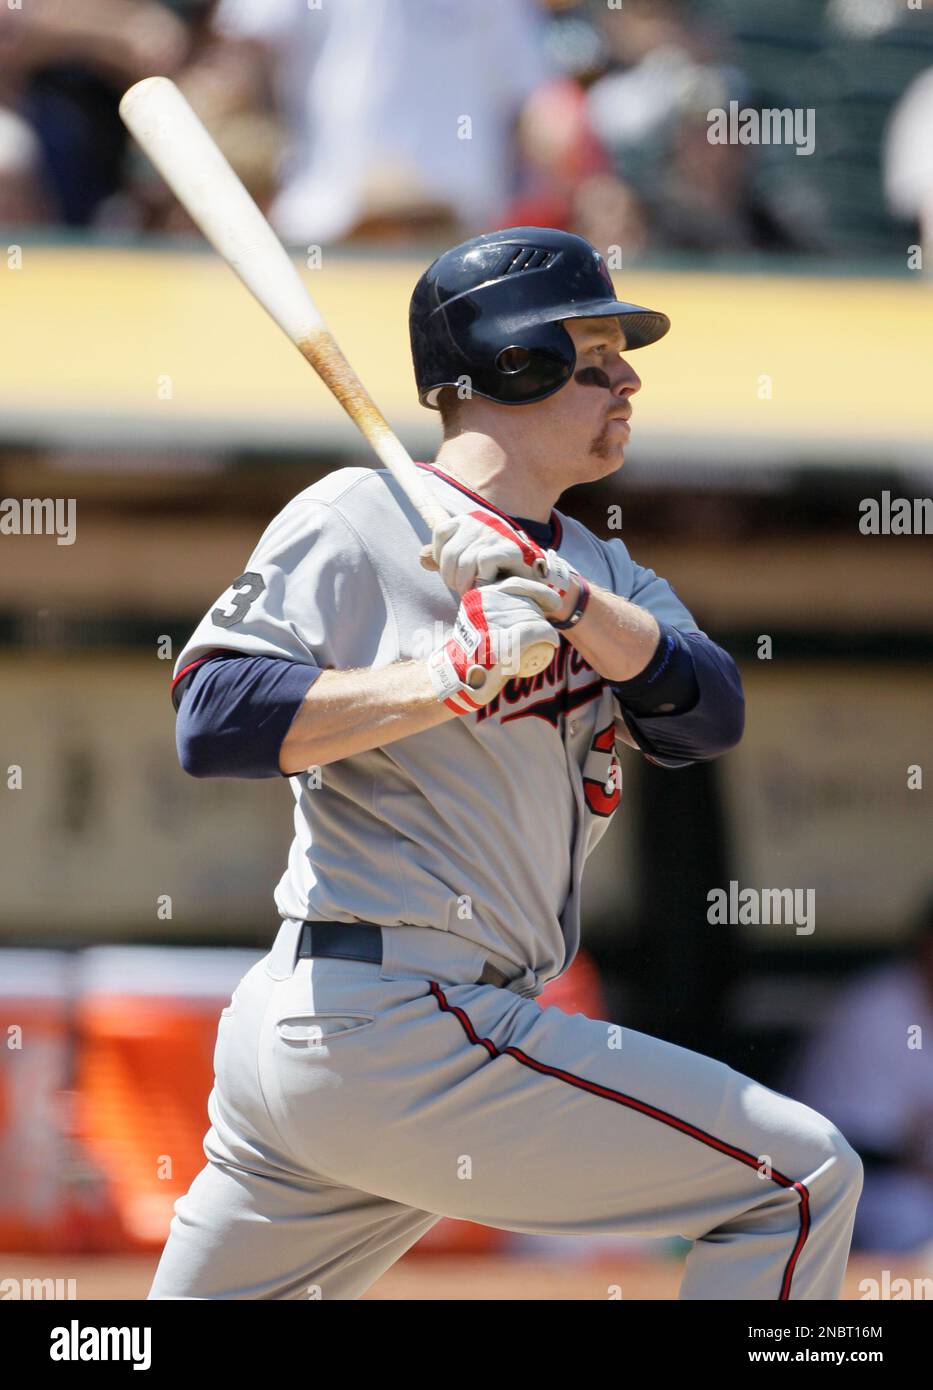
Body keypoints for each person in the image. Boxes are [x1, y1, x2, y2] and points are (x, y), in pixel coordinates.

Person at [151, 226, 862, 1300]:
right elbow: (212, 718)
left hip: (389, 1035)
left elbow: (704, 715)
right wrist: (441, 674)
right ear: (512, 365)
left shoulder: (602, 566)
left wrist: (563, 600)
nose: (629, 377)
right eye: (595, 355)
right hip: (390, 1017)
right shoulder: (359, 515)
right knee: (800, 1177)